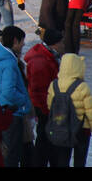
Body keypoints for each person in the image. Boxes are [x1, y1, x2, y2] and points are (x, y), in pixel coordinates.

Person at [47, 53, 92, 167]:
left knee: (62, 160)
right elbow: (90, 112)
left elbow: (50, 107)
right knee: (80, 161)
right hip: (82, 130)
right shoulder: (82, 86)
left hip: (61, 128)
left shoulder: (54, 85)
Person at [0, 26, 31, 167]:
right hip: (12, 113)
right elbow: (8, 92)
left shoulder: (0, 58)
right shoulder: (9, 64)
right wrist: (24, 100)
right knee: (12, 155)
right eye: (22, 41)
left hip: (2, 110)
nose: (24, 44)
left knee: (8, 152)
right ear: (15, 41)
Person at [25, 28, 63, 167]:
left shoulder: (48, 55)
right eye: (61, 42)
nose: (63, 44)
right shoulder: (41, 61)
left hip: (47, 106)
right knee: (43, 142)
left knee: (47, 141)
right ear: (55, 43)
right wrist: (47, 109)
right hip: (44, 108)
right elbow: (38, 90)